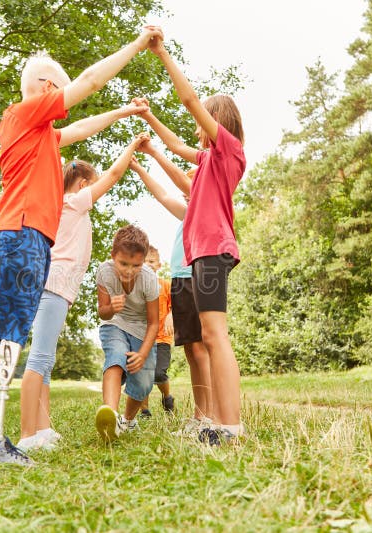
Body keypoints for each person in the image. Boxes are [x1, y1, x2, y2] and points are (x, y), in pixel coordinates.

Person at [0, 26, 164, 470]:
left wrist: (126, 111)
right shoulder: (23, 113)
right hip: (19, 235)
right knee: (4, 344)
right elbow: (89, 81)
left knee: (1, 344)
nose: (66, 95)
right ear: (48, 88)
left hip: (21, 237)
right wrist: (137, 44)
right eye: (61, 90)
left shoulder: (40, 135)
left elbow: (82, 125)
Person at [142, 37, 246, 445]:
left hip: (215, 249)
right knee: (209, 331)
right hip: (201, 252)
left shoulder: (229, 150)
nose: (197, 128)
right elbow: (175, 146)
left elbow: (190, 102)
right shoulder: (206, 160)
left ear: (217, 121)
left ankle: (230, 424)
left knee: (215, 335)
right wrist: (150, 123)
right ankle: (217, 420)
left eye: (205, 120)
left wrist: (162, 54)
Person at [16, 134, 148, 453]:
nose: (95, 191)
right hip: (55, 285)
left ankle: (43, 428)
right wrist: (131, 145)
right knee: (41, 357)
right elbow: (113, 176)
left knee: (46, 360)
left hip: (55, 286)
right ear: (81, 184)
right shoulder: (73, 202)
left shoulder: (62, 204)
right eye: (92, 184)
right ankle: (26, 434)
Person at [128, 151, 215, 435]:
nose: (187, 195)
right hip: (180, 280)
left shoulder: (203, 209)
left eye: (190, 188)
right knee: (191, 349)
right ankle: (200, 414)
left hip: (194, 277)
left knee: (200, 348)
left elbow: (166, 194)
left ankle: (208, 414)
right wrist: (140, 169)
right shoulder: (188, 214)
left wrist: (149, 157)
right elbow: (163, 195)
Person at [94, 225, 160, 442]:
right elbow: (103, 313)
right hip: (115, 323)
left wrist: (142, 353)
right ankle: (110, 415)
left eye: (136, 265)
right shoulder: (104, 271)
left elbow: (153, 323)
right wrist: (111, 307)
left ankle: (128, 421)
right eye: (123, 263)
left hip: (142, 329)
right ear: (113, 256)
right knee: (116, 357)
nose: (129, 270)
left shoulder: (149, 279)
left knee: (142, 382)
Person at [138, 245, 175, 419]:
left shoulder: (166, 285)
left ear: (159, 265)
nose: (148, 265)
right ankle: (144, 411)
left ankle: (167, 397)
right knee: (143, 374)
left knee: (159, 373)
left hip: (162, 338)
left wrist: (170, 316)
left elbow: (175, 306)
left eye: (152, 261)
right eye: (145, 262)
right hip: (143, 339)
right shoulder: (138, 287)